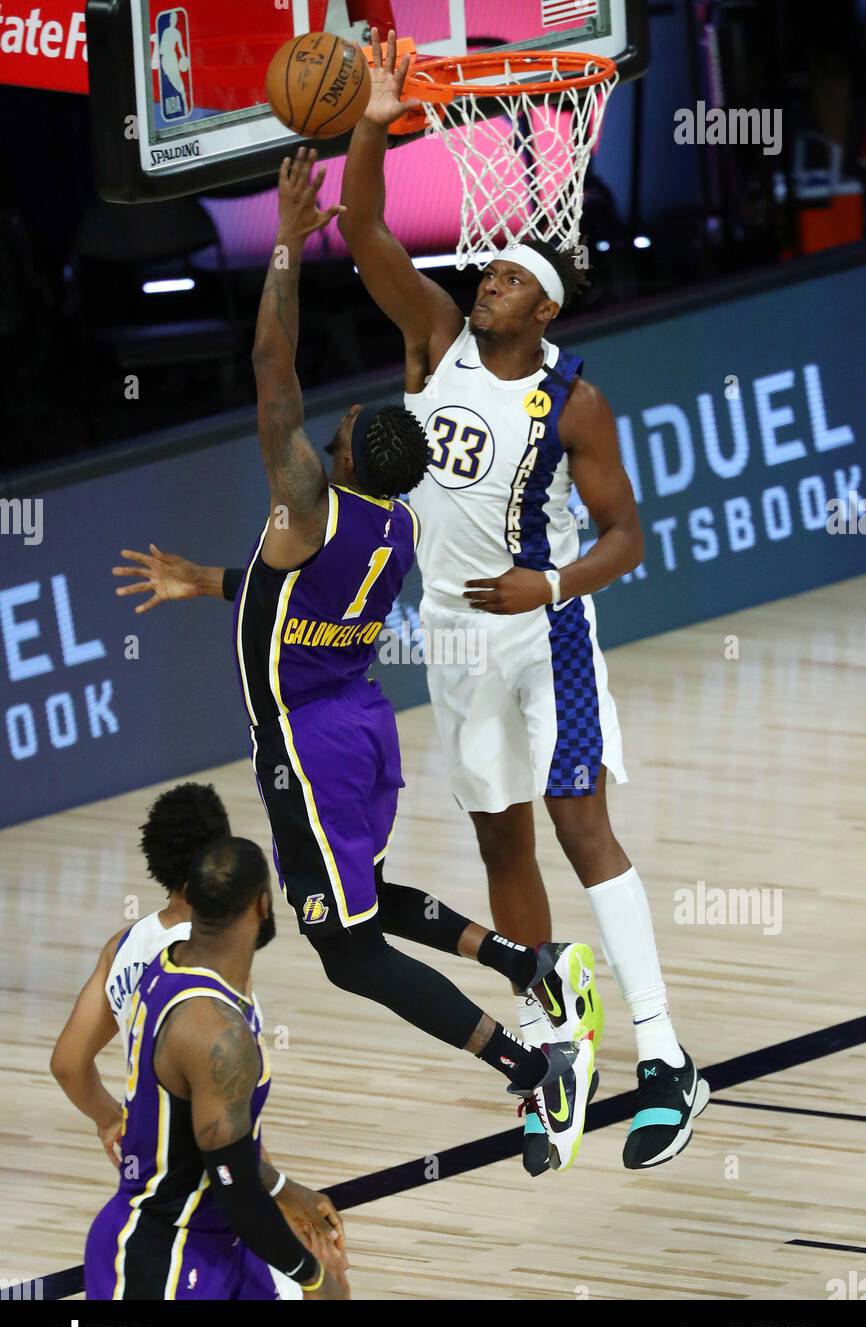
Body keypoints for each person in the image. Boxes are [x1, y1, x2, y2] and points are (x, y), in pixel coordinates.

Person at [113, 148, 604, 1175]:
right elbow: (288, 603)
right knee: (363, 898)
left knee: (346, 951)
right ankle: (533, 962)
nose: (327, 424)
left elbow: (270, 374)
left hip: (307, 745)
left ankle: (527, 1065)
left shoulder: (306, 502)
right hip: (358, 727)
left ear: (333, 459)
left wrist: (288, 242)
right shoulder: (392, 523)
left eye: (335, 430)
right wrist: (204, 582)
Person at [335, 28, 710, 1171]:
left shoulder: (573, 404)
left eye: (501, 277)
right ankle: (554, 1044)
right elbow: (362, 233)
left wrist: (548, 583)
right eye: (482, 273)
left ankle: (662, 1059)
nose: (478, 281)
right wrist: (372, 117)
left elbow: (626, 538)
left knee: (579, 827)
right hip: (450, 637)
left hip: (540, 627)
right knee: (498, 840)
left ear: (540, 307)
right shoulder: (434, 340)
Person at [51, 781, 345, 1253]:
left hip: (154, 1177)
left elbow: (68, 1063)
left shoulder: (122, 946)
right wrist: (277, 1196)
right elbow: (228, 1107)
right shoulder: (215, 953)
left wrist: (111, 1120)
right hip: (212, 1196)